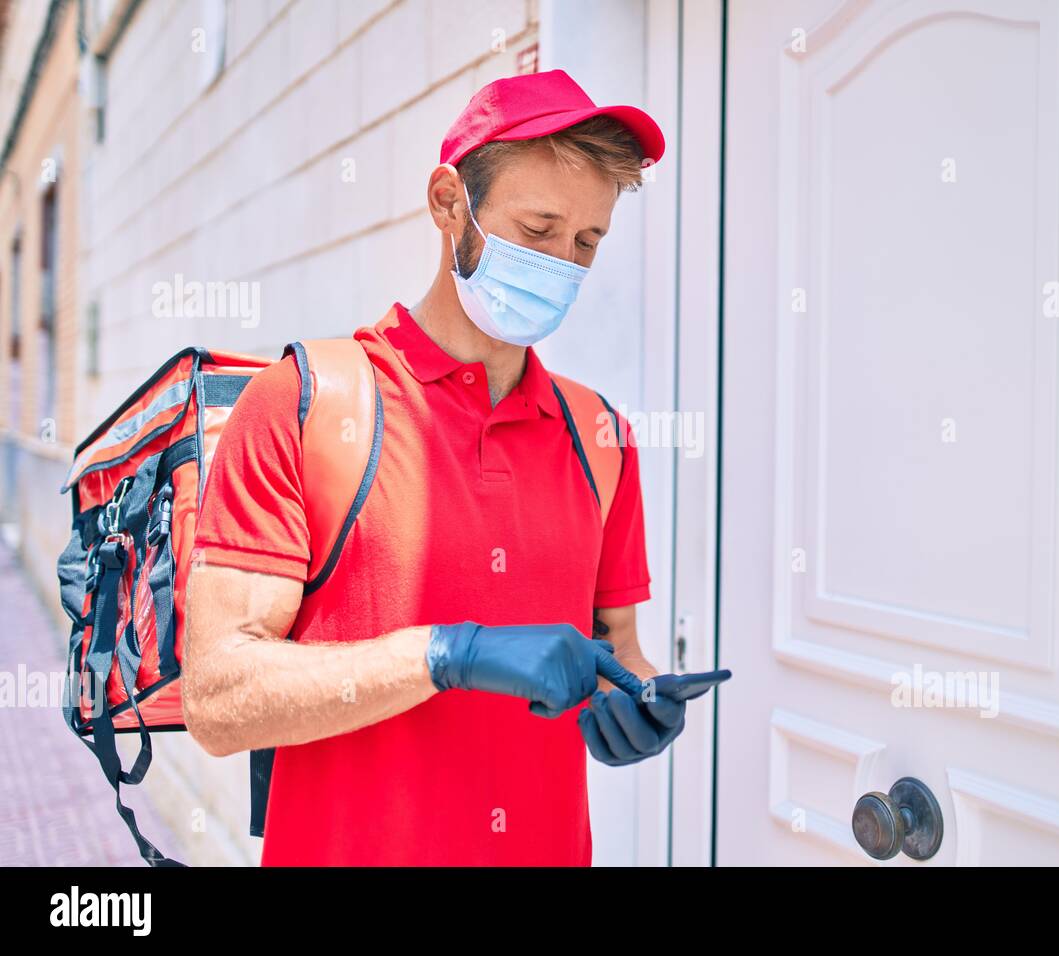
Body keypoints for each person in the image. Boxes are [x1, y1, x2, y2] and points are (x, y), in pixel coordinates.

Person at [182, 69, 727, 866]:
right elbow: (219, 700)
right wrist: (447, 656)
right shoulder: (304, 402)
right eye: (538, 229)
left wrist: (633, 700)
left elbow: (618, 647)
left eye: (586, 242)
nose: (564, 263)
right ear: (448, 203)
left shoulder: (599, 434)